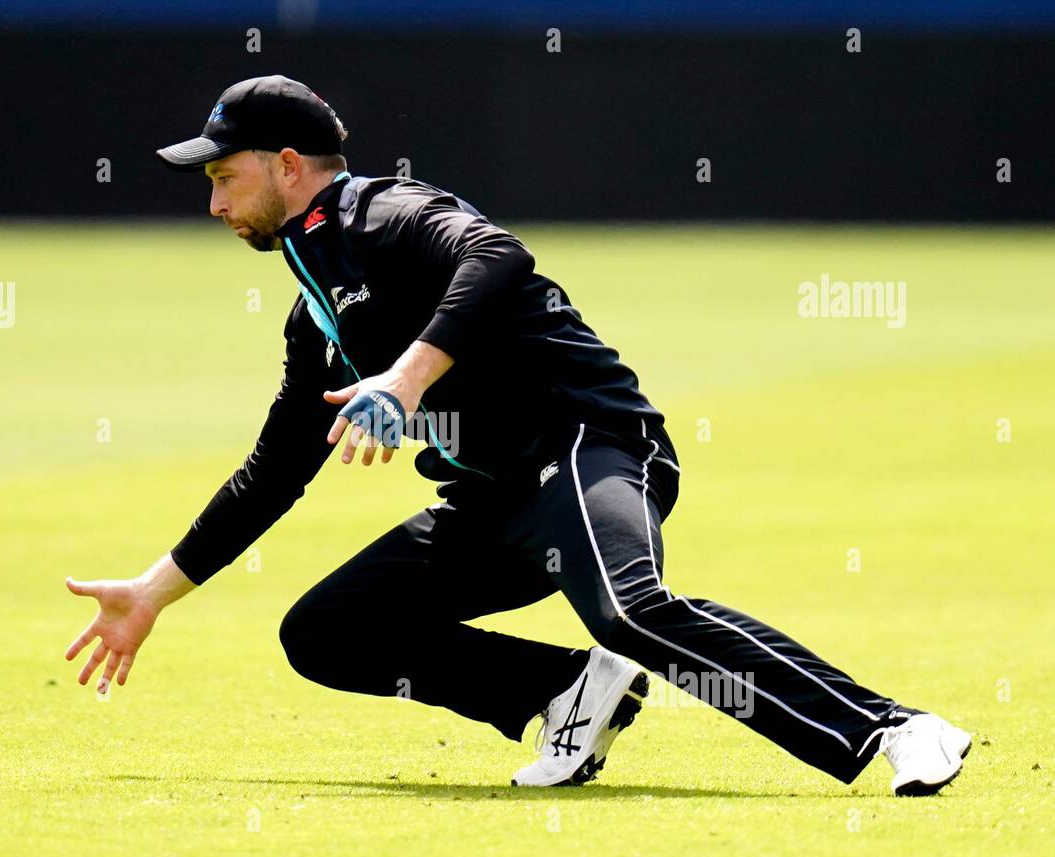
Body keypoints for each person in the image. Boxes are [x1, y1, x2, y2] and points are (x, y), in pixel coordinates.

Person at [65, 75, 971, 794]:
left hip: (588, 444)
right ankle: (565, 693)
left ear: (289, 165)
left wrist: (405, 377)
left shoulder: (382, 213)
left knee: (628, 609)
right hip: (496, 499)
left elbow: (497, 256)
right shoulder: (319, 314)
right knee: (329, 631)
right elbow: (276, 468)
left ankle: (894, 728)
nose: (215, 202)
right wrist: (153, 592)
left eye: (225, 177)